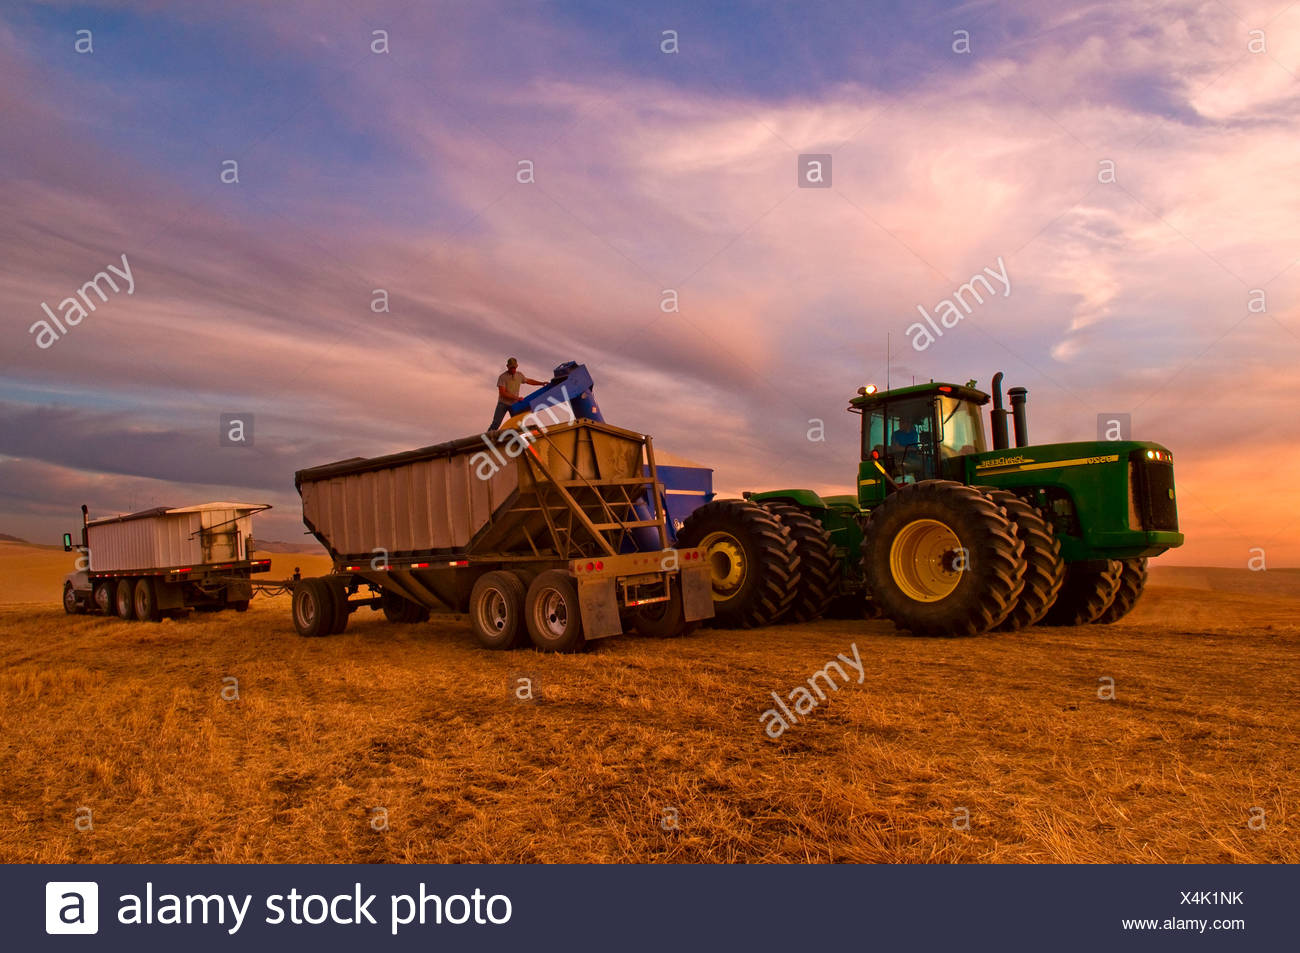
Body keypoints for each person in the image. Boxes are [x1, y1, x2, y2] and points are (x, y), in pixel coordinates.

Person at [489, 357, 547, 431]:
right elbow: (503, 393)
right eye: (511, 368)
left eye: (514, 368)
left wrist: (541, 383)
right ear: (507, 367)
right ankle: (484, 441)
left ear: (516, 366)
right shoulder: (502, 377)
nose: (513, 369)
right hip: (503, 404)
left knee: (517, 425)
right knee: (496, 424)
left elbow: (529, 381)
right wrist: (517, 398)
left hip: (514, 404)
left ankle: (516, 440)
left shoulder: (519, 375)